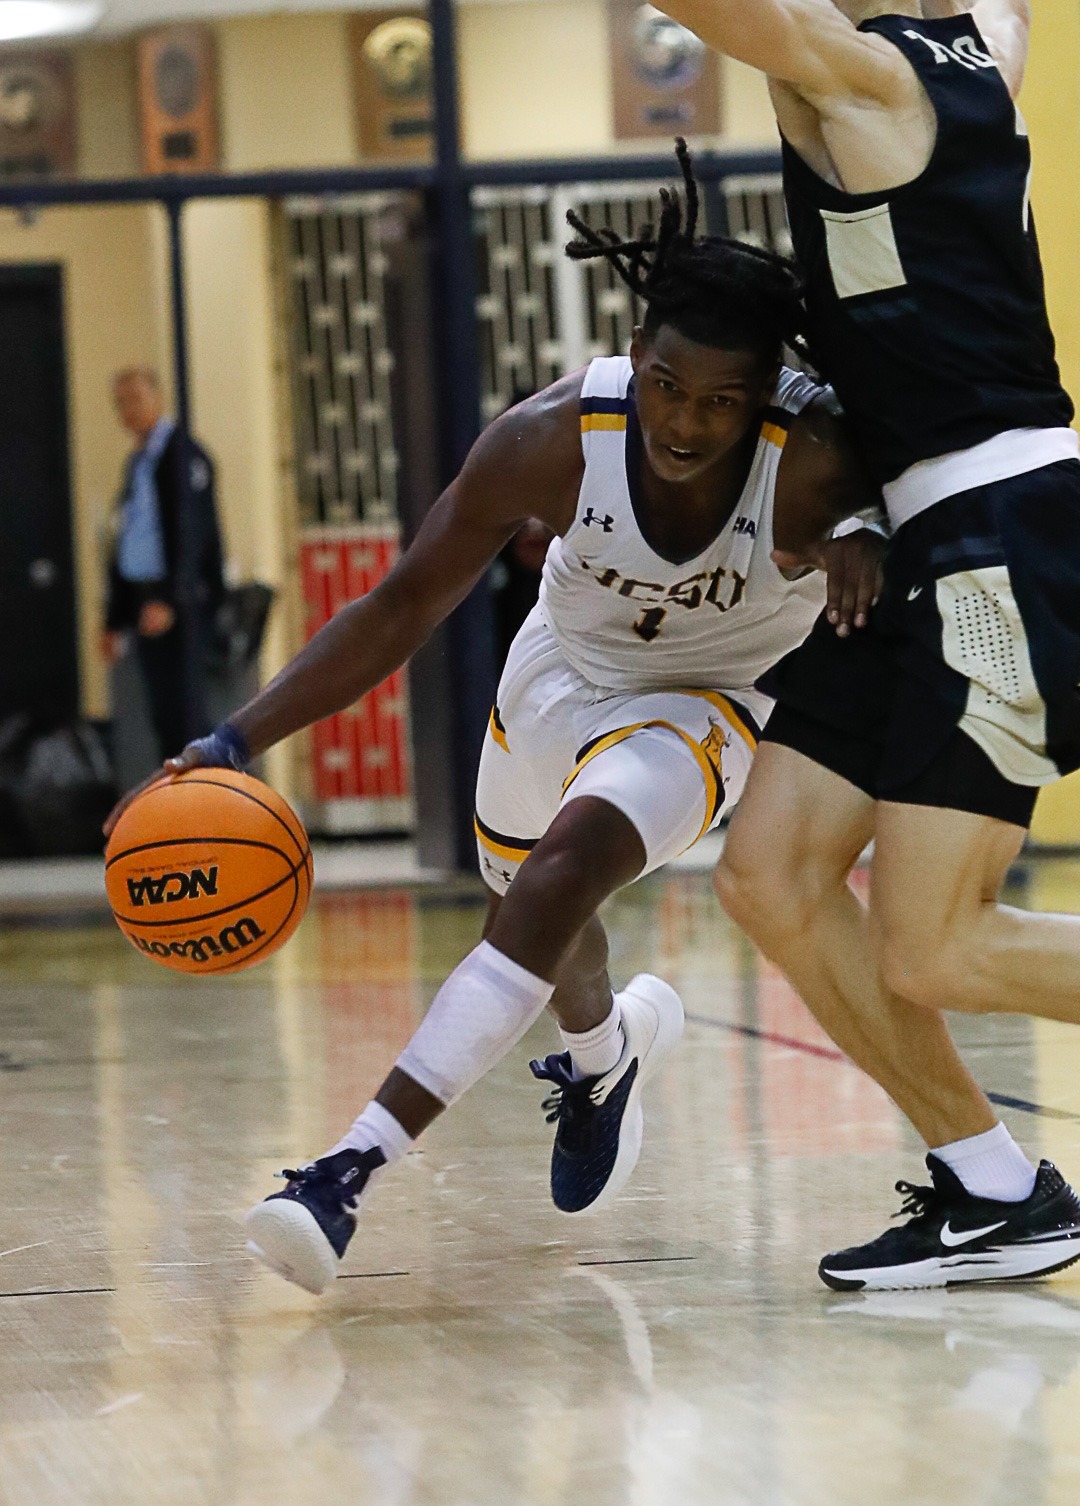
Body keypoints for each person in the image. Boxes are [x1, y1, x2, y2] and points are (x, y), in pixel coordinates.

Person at [108, 153, 885, 1296]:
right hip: (556, 674)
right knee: (538, 920)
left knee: (564, 873)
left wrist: (867, 524)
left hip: (711, 702)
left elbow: (942, 489)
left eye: (723, 400)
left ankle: (345, 1172)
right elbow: (402, 603)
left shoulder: (811, 462)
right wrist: (238, 740)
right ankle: (603, 1053)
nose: (686, 420)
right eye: (669, 384)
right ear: (639, 356)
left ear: (765, 391)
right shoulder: (555, 436)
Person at [655, 0, 1080, 1289]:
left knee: (935, 944)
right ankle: (995, 1189)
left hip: (1000, 534)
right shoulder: (976, 50)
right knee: (770, 875)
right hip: (918, 539)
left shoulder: (875, 73)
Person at [102, 367, 224, 762]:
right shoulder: (138, 463)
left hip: (179, 601)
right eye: (121, 403)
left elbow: (193, 535)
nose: (129, 410)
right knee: (164, 714)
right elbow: (129, 540)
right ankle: (176, 812)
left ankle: (215, 806)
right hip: (145, 599)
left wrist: (172, 600)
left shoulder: (182, 456)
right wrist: (115, 619)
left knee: (189, 713)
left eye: (136, 399)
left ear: (158, 398)